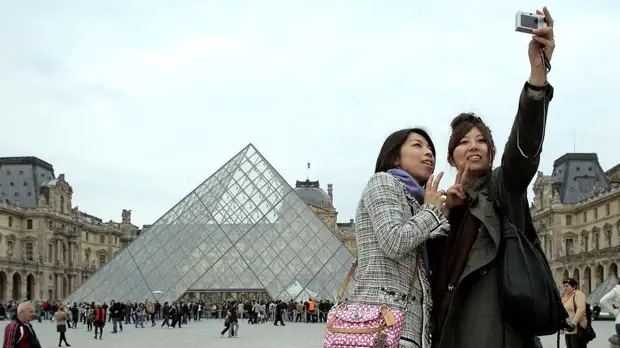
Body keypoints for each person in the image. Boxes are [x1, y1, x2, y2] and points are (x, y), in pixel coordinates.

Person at [428, 7, 556, 348]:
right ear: (451, 155)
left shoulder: (503, 186)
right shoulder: (436, 204)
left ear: (492, 152)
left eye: (482, 140)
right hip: (447, 326)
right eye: (464, 141)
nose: (474, 146)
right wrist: (439, 212)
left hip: (494, 330)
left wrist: (537, 73)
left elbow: (524, 147)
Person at [348, 127, 449, 348]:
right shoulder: (383, 182)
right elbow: (394, 241)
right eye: (417, 145)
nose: (429, 153)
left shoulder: (416, 202)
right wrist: (432, 212)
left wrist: (444, 212)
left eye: (431, 149)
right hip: (379, 328)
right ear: (395, 157)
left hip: (401, 330)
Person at [561, 278, 589, 348]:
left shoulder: (578, 294)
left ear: (574, 286)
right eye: (564, 286)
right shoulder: (566, 297)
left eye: (567, 286)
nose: (565, 288)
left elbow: (581, 309)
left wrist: (574, 322)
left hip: (577, 328)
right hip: (569, 328)